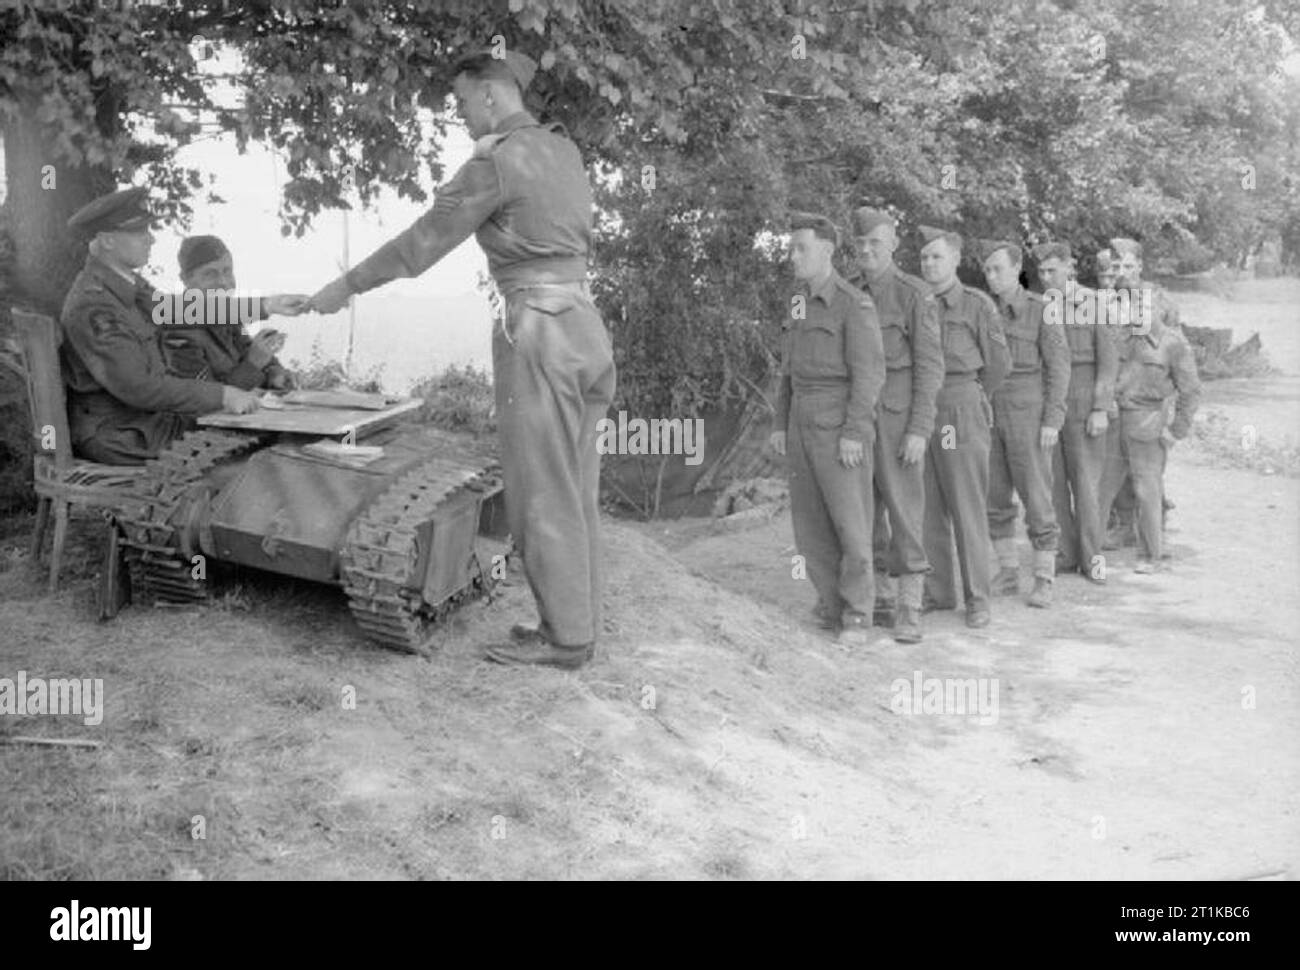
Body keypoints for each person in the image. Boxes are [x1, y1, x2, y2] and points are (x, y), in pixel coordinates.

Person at [308, 48, 615, 669]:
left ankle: (568, 641)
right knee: (576, 487)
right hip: (585, 328)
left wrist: (345, 286)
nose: (460, 115)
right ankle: (575, 624)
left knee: (537, 490)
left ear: (490, 97)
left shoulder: (496, 163)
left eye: (461, 101)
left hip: (538, 332)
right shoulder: (565, 151)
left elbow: (422, 242)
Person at [59, 187, 264, 466]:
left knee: (259, 435)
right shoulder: (94, 305)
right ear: (107, 241)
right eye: (140, 232)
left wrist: (266, 306)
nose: (151, 239)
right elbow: (138, 387)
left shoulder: (127, 285)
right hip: (121, 433)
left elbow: (179, 311)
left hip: (146, 422)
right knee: (252, 452)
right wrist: (224, 395)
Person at [769, 212, 885, 646]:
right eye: (791, 248)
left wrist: (855, 432)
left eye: (802, 248)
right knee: (810, 524)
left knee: (851, 523)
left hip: (839, 424)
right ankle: (830, 605)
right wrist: (780, 423)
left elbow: (869, 375)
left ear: (827, 251)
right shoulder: (798, 303)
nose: (793, 256)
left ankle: (857, 615)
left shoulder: (855, 304)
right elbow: (787, 371)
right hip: (802, 421)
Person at [845, 207, 942, 643]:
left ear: (893, 246)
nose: (866, 251)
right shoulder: (848, 292)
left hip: (900, 420)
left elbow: (930, 366)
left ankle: (910, 607)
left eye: (875, 244)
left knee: (905, 513)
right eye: (860, 244)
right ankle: (877, 599)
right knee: (863, 514)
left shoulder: (914, 294)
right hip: (859, 421)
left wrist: (920, 429)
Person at [917, 226, 1010, 628]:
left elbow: (999, 364)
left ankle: (977, 597)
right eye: (924, 258)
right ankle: (939, 592)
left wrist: (972, 396)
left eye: (937, 257)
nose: (929, 264)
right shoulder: (914, 301)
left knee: (967, 504)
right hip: (922, 410)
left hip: (960, 405)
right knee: (926, 506)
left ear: (955, 260)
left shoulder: (977, 305)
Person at [981, 241, 1070, 607]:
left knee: (1037, 496)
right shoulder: (983, 310)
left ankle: (1044, 577)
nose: (991, 276)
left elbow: (1060, 367)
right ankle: (1007, 570)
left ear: (1017, 268)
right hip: (989, 413)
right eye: (986, 270)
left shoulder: (1041, 310)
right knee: (994, 495)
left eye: (997, 269)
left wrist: (1053, 418)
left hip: (1028, 414)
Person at [1096, 273, 1201, 572]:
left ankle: (1150, 555)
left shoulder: (1173, 343)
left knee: (1147, 491)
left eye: (1144, 305)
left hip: (1149, 423)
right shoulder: (1120, 337)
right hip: (1115, 421)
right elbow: (1106, 376)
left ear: (1158, 308)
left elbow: (1191, 390)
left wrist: (1175, 430)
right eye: (1132, 306)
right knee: (1102, 489)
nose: (1137, 312)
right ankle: (1088, 550)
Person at [1035, 242, 1118, 583]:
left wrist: (1100, 407)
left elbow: (1109, 362)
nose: (1044, 278)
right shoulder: (1039, 306)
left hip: (1084, 401)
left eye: (1051, 270)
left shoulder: (1094, 303)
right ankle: (1067, 554)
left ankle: (1093, 560)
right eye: (1039, 272)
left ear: (1069, 268)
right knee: (1053, 485)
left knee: (1087, 487)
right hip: (1050, 404)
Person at [157, 235, 299, 390]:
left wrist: (274, 373)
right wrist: (254, 362)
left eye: (227, 271)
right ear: (185, 280)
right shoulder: (176, 329)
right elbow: (204, 399)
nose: (223, 282)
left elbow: (248, 351)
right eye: (210, 274)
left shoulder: (228, 317)